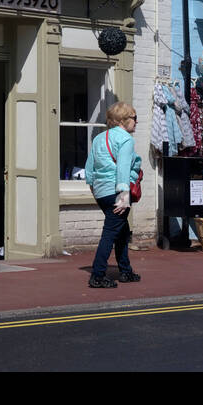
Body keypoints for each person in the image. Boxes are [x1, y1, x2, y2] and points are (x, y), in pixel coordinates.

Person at [84, 102, 142, 288]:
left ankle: (125, 271)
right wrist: (124, 198)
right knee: (110, 234)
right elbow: (123, 168)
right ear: (123, 120)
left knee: (122, 232)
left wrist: (95, 192)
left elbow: (90, 169)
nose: (136, 122)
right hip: (118, 192)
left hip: (102, 193)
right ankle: (98, 275)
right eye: (134, 118)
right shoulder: (125, 139)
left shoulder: (99, 138)